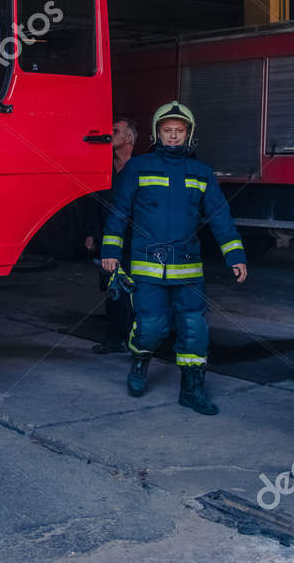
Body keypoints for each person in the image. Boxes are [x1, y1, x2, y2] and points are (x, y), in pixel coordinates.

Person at [101, 101, 248, 414]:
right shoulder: (137, 168)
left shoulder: (202, 173)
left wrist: (235, 255)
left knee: (194, 329)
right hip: (147, 267)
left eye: (179, 131)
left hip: (188, 270)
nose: (172, 136)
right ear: (157, 133)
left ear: (188, 134)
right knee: (150, 327)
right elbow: (119, 212)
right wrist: (111, 251)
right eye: (167, 130)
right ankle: (140, 362)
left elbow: (221, 217)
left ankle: (192, 390)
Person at [84, 118, 139, 354]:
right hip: (107, 240)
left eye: (115, 131)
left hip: (134, 240)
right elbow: (93, 201)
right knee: (112, 289)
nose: (110, 134)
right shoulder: (104, 167)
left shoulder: (141, 169)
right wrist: (90, 233)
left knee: (133, 291)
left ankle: (136, 342)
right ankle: (114, 340)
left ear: (129, 138)